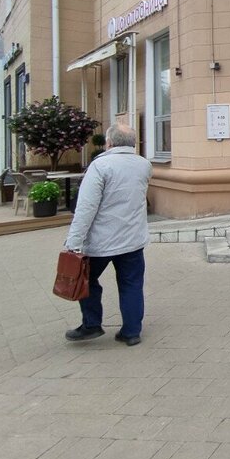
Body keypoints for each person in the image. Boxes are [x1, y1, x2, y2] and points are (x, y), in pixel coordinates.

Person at [63, 123, 152, 346]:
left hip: (101, 241)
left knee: (87, 279)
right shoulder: (144, 165)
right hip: (133, 239)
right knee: (132, 284)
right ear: (133, 143)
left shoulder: (100, 166)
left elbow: (86, 207)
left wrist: (73, 242)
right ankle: (131, 332)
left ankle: (91, 324)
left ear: (109, 143)